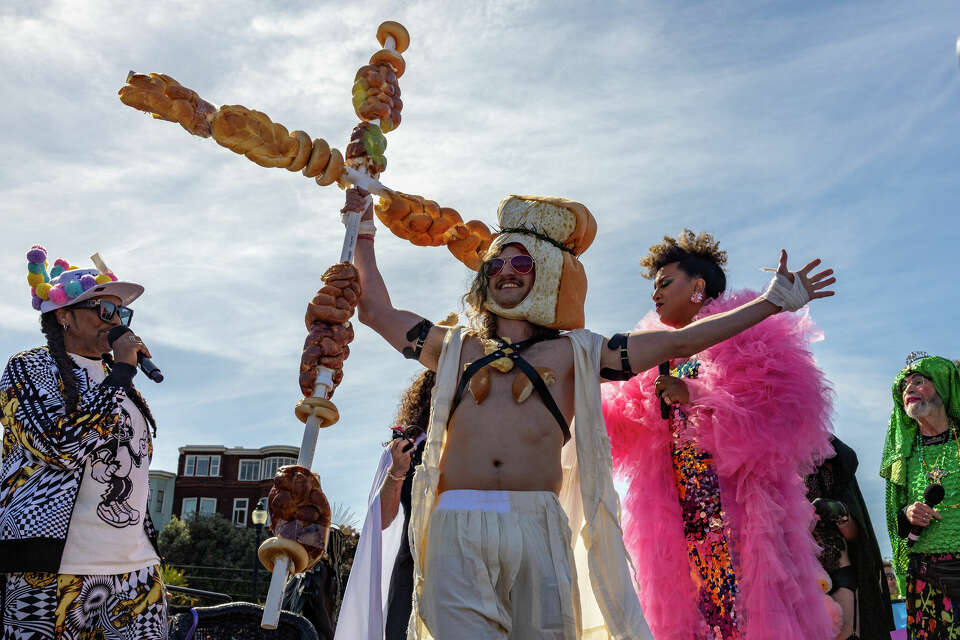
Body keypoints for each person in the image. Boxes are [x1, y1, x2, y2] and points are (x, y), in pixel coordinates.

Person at [347, 189, 836, 639]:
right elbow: (374, 311)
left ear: (545, 270)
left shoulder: (578, 353)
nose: (506, 269)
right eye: (495, 261)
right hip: (458, 524)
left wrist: (772, 303)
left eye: (521, 259)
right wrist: (363, 231)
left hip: (538, 524)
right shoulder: (450, 347)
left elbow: (681, 340)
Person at [600, 230, 837, 639]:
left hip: (738, 510)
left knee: (747, 613)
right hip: (679, 512)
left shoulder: (751, 331)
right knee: (697, 616)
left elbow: (780, 412)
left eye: (664, 283)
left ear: (697, 286)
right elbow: (619, 422)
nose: (655, 295)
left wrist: (694, 393)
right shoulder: (658, 351)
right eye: (653, 287)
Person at [0, 246, 165, 639]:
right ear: (64, 316)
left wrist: (119, 374)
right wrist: (122, 370)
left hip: (136, 572)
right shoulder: (29, 368)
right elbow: (61, 447)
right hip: (51, 569)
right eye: (104, 311)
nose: (116, 322)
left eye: (121, 313)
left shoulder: (119, 383)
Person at [335, 368, 435, 640]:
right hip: (413, 569)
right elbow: (382, 519)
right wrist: (397, 472)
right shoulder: (408, 447)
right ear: (428, 397)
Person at [881, 353, 960, 640]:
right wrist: (907, 514)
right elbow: (895, 523)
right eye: (903, 387)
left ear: (941, 384)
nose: (908, 389)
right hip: (924, 576)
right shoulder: (904, 455)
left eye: (918, 381)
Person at [807, 436, 895, 639]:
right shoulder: (766, 464)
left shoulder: (830, 460)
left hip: (838, 570)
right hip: (791, 579)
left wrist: (840, 513)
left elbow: (858, 537)